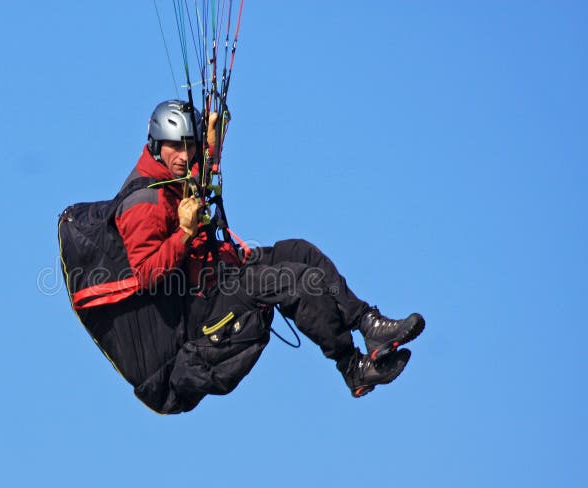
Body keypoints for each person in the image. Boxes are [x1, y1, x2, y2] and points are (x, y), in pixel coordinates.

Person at [66, 99, 424, 414]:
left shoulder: (174, 175)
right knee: (293, 282)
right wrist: (185, 233)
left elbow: (197, 172)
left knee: (300, 251)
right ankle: (351, 366)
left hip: (223, 275)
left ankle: (368, 325)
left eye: (188, 145)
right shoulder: (143, 203)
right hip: (203, 312)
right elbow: (147, 274)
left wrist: (212, 144)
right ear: (156, 145)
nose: (183, 155)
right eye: (174, 146)